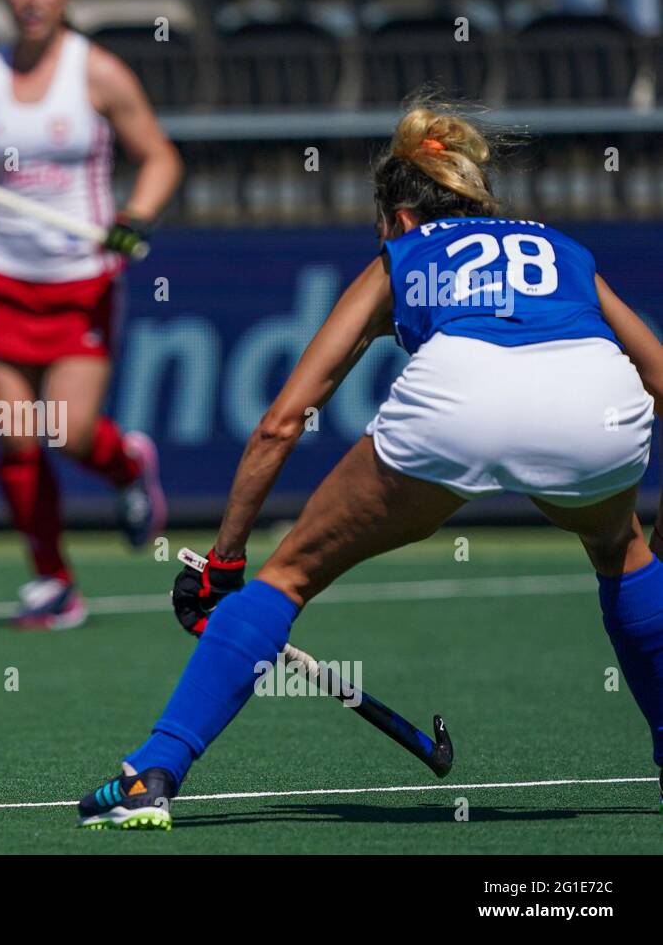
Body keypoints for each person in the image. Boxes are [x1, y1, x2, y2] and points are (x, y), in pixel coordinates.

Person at [78, 100, 663, 829]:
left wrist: (224, 563)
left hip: (460, 403)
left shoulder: (404, 254)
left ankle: (153, 775)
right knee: (622, 552)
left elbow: (279, 425)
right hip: (596, 410)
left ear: (404, 218)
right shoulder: (564, 249)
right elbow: (660, 378)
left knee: (286, 576)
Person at [0, 0, 183, 630]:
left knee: (67, 431)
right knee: (17, 437)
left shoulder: (96, 71)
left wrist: (135, 216)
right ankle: (53, 582)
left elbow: (160, 158)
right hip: (3, 276)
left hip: (80, 280)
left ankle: (129, 468)